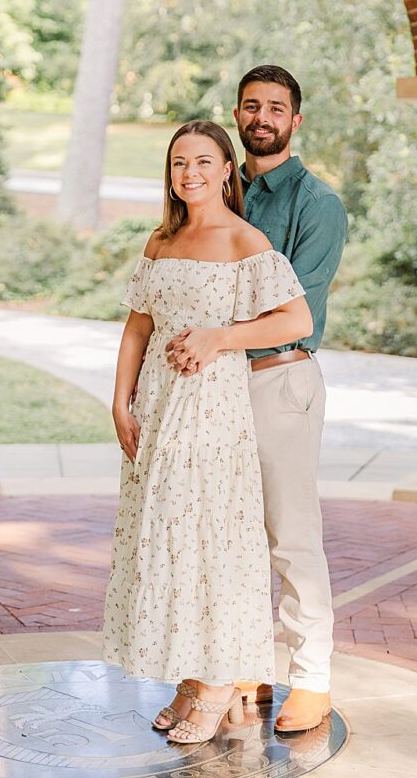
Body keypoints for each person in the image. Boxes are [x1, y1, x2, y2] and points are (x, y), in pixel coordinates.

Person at [106, 120, 311, 744]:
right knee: (170, 537)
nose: (189, 173)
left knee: (211, 541)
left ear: (226, 170)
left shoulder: (246, 241)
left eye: (202, 161)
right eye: (178, 163)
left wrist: (220, 337)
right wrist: (120, 401)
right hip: (158, 406)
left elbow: (295, 320)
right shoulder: (162, 240)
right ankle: (192, 677)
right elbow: (138, 327)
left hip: (212, 410)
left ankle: (221, 683)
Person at [164, 65, 348, 734]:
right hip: (215, 391)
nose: (261, 117)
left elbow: (291, 309)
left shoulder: (316, 204)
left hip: (276, 379)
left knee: (290, 536)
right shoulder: (218, 189)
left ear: (295, 120)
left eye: (275, 107)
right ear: (236, 115)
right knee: (226, 535)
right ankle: (241, 667)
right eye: (250, 106)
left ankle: (313, 679)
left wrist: (215, 335)